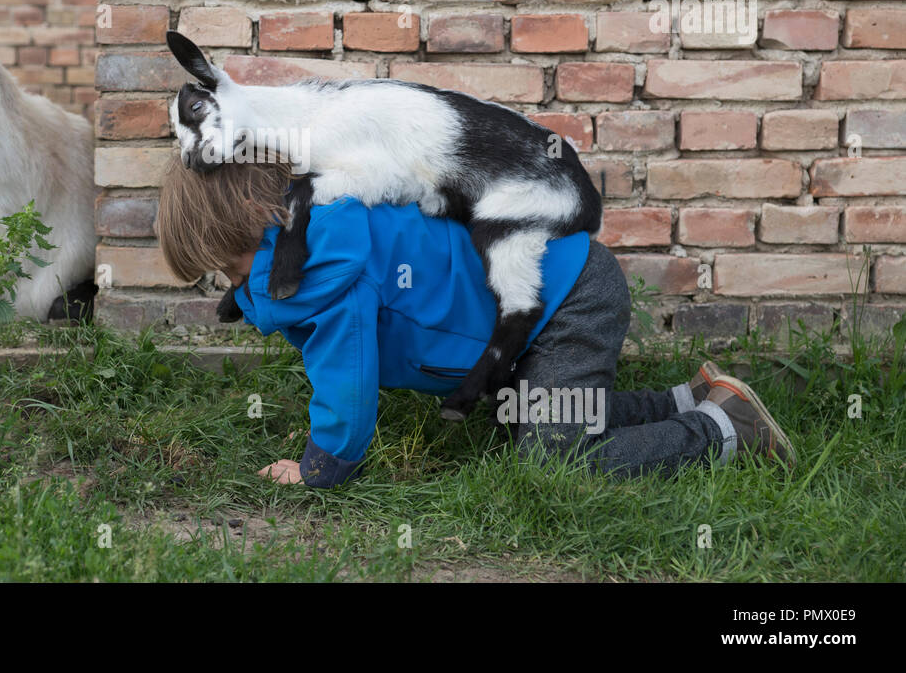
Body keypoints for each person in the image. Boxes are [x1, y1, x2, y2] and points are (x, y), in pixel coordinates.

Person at [156, 158, 794, 488]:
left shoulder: (325, 277)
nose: (234, 284)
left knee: (556, 461)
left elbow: (344, 381)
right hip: (546, 291)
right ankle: (688, 398)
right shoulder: (328, 219)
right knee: (530, 419)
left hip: (562, 297)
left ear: (249, 225)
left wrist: (323, 467)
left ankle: (724, 429)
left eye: (228, 267)